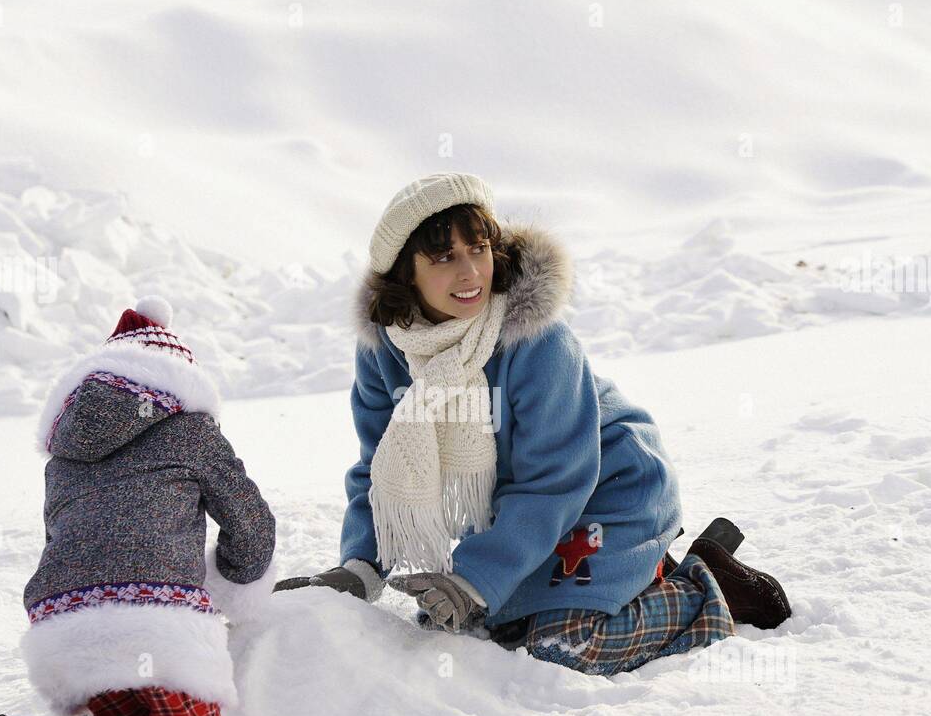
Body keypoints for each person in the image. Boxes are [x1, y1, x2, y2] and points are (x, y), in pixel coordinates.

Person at [276, 172, 789, 674]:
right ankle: (636, 577)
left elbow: (555, 481)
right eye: (443, 257)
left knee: (560, 648)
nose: (470, 273)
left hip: (610, 489)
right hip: (526, 511)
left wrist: (475, 578)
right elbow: (379, 471)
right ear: (405, 272)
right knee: (478, 632)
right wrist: (359, 568)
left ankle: (705, 585)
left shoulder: (537, 342)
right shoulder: (384, 354)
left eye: (478, 250)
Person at [0, 296, 275, 716]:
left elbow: (64, 541)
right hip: (157, 624)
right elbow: (252, 526)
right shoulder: (193, 430)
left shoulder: (64, 457)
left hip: (63, 628)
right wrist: (232, 579)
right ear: (182, 380)